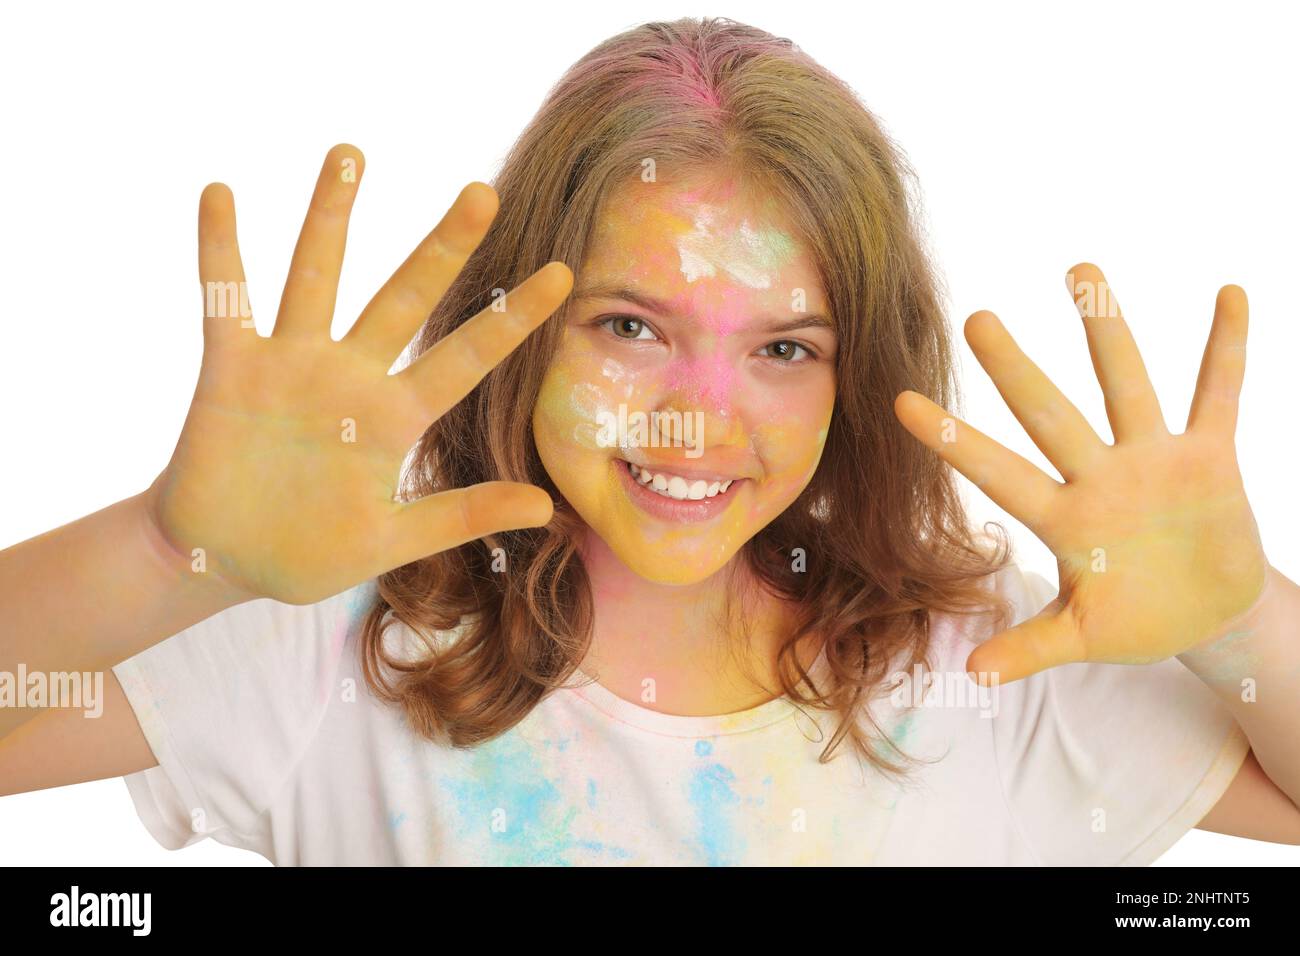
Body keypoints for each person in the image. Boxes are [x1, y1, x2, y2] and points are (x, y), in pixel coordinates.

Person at [2, 16, 1298, 865]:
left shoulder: (991, 663)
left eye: (785, 347)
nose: (698, 415)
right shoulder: (342, 642)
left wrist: (1244, 624)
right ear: (520, 326)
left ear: (861, 380)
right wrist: (170, 549)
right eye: (630, 325)